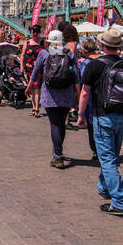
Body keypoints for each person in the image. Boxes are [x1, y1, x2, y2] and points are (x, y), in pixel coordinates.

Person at [76, 26, 123, 216]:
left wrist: (80, 114)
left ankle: (119, 200)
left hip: (103, 117)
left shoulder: (95, 65)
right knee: (110, 156)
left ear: (102, 44)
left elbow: (85, 92)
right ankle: (104, 188)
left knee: (108, 159)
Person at [29, 30, 77, 168]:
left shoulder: (44, 53)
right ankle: (58, 150)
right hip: (67, 93)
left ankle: (58, 155)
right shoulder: (69, 54)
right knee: (61, 123)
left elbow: (35, 72)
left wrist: (29, 87)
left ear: (49, 41)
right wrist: (77, 94)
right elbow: (76, 75)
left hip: (50, 94)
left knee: (55, 124)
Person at [22, 24, 45, 117]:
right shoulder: (27, 42)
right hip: (29, 68)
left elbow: (46, 54)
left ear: (39, 32)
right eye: (33, 32)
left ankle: (37, 109)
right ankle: (33, 107)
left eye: (36, 32)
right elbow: (23, 55)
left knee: (37, 88)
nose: (34, 34)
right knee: (31, 88)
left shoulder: (42, 42)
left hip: (39, 68)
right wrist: (21, 66)